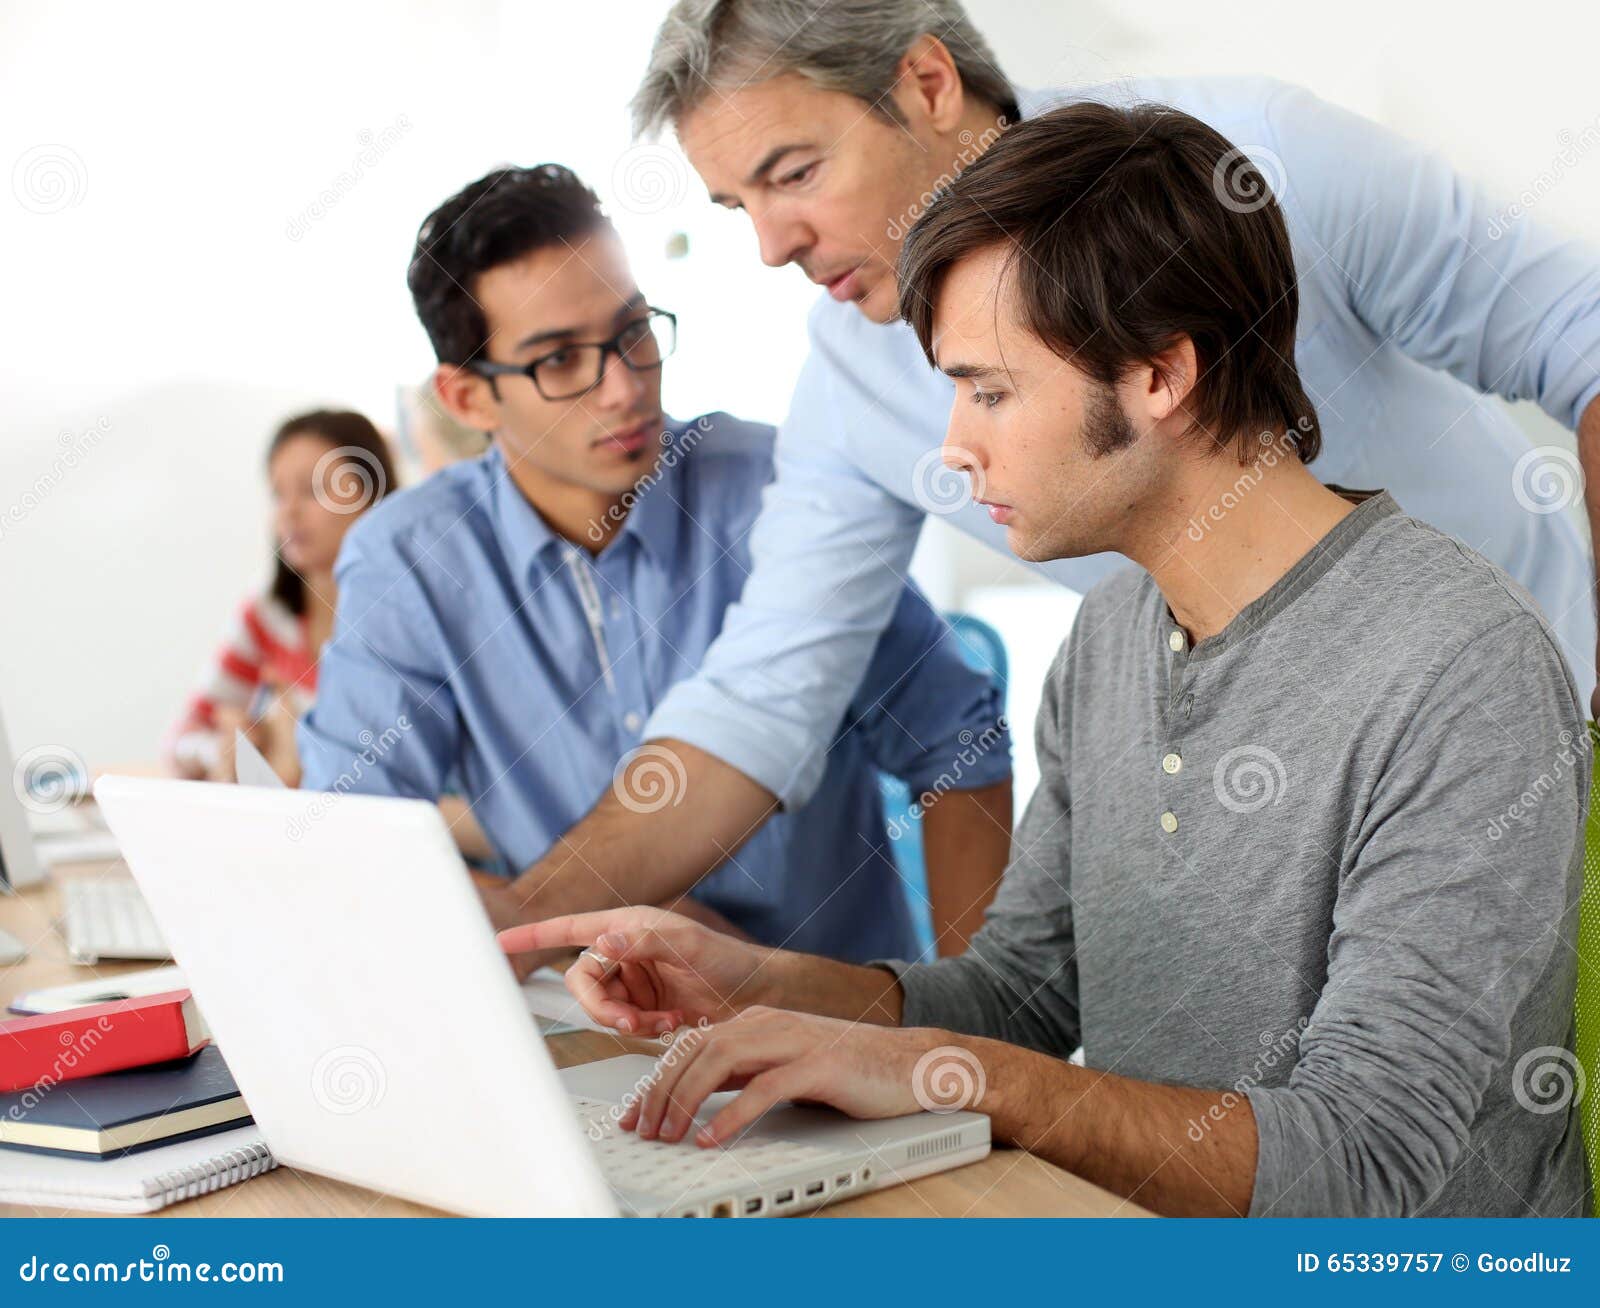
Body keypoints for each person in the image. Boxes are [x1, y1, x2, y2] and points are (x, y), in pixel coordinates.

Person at [500, 102, 1592, 1219]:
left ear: (1159, 376)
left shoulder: (1459, 668)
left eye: (989, 390)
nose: (953, 446)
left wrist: (964, 1078)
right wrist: (758, 987)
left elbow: (1358, 1165)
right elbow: (1021, 996)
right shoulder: (1112, 636)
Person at [489, 0, 1600, 937]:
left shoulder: (1257, 158)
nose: (772, 244)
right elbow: (764, 692)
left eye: (794, 174)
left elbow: (1585, 343)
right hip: (1285, 824)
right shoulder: (849, 381)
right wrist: (522, 933)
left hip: (1548, 743)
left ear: (927, 82)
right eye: (741, 206)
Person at [297, 165, 1013, 962]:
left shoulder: (781, 493)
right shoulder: (414, 560)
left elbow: (958, 737)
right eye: (560, 361)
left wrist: (965, 1042)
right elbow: (352, 841)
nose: (622, 388)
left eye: (633, 331)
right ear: (467, 400)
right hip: (581, 1026)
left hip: (830, 1036)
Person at [170, 409, 397, 786]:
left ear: (373, 496)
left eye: (313, 490)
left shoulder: (408, 616)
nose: (289, 511)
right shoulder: (266, 614)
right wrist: (226, 749)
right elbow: (181, 740)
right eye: (278, 493)